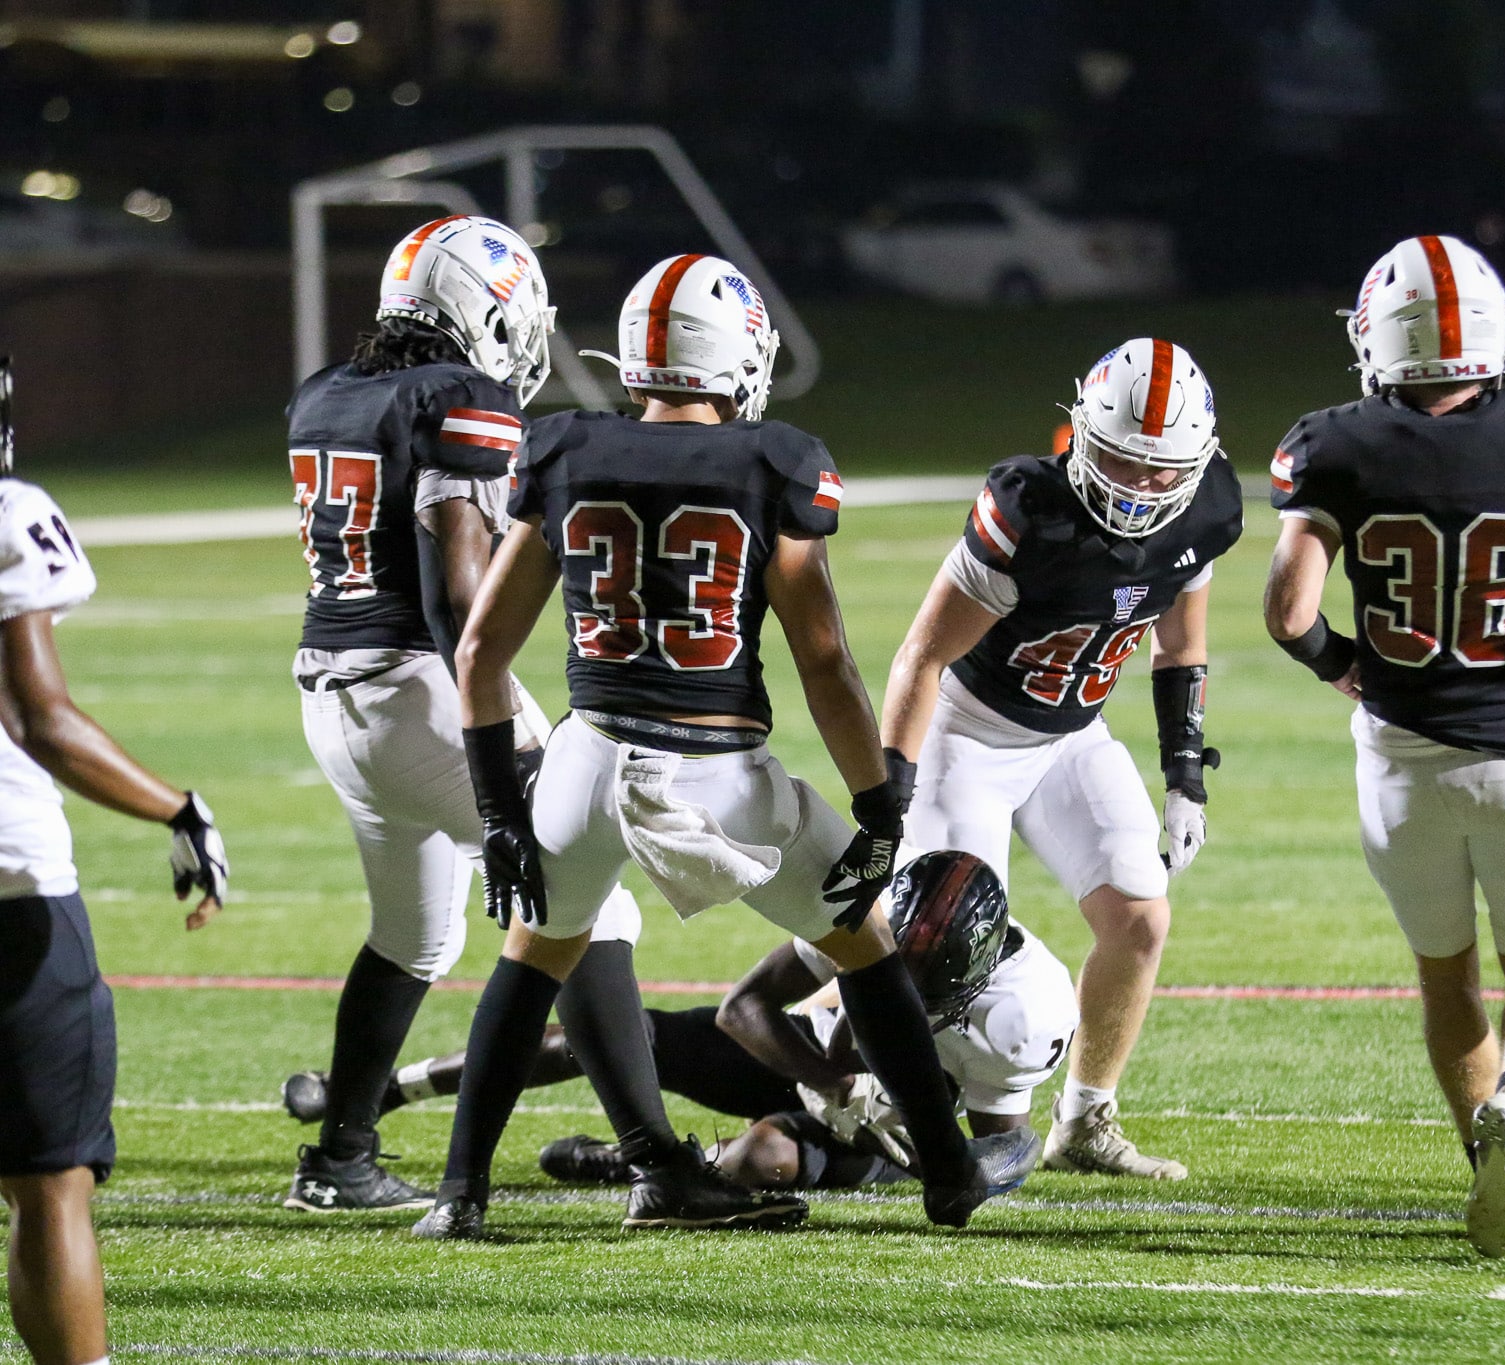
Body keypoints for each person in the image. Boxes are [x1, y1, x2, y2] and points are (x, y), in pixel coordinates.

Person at [415, 254, 1037, 1241]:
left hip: (587, 761)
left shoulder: (565, 448)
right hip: (718, 774)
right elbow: (824, 661)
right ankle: (949, 1172)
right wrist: (879, 798)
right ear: (735, 358)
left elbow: (483, 648)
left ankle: (459, 1196)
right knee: (863, 939)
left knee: (533, 955)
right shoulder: (772, 460)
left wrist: (500, 808)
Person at [1261, 235, 1505, 1256]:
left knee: (1444, 977)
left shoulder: (1331, 443)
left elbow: (1287, 609)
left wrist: (1343, 661)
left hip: (1396, 758)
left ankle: (1485, 1168)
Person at [284, 216, 640, 1214]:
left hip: (333, 693)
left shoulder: (324, 394)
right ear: (480, 313)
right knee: (585, 902)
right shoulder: (463, 398)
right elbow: (456, 587)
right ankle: (658, 1161)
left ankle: (340, 1156)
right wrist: (500, 749)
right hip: (423, 689)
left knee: (413, 935)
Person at [879, 338, 1241, 1181]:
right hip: (966, 736)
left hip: (1068, 736)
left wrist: (1185, 772)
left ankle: (1084, 1118)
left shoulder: (1210, 506)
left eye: (1162, 470)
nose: (1139, 485)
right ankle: (855, 1082)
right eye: (1119, 459)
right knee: (934, 947)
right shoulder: (1028, 511)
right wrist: (891, 784)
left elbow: (1180, 642)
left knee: (1140, 919)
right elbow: (921, 657)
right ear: (1081, 434)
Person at [283, 851, 1078, 1195]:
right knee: (624, 1035)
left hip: (890, 1122)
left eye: (911, 988)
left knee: (767, 1153)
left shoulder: (1021, 1015)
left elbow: (976, 1160)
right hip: (821, 1059)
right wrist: (828, 1075)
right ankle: (390, 1089)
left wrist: (901, 1135)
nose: (890, 994)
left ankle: (659, 1164)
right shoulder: (870, 919)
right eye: (882, 974)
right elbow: (745, 1008)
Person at [0, 358, 230, 1364]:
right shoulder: (10, 512)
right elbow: (42, 717)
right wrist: (178, 809)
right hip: (9, 888)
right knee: (49, 1182)